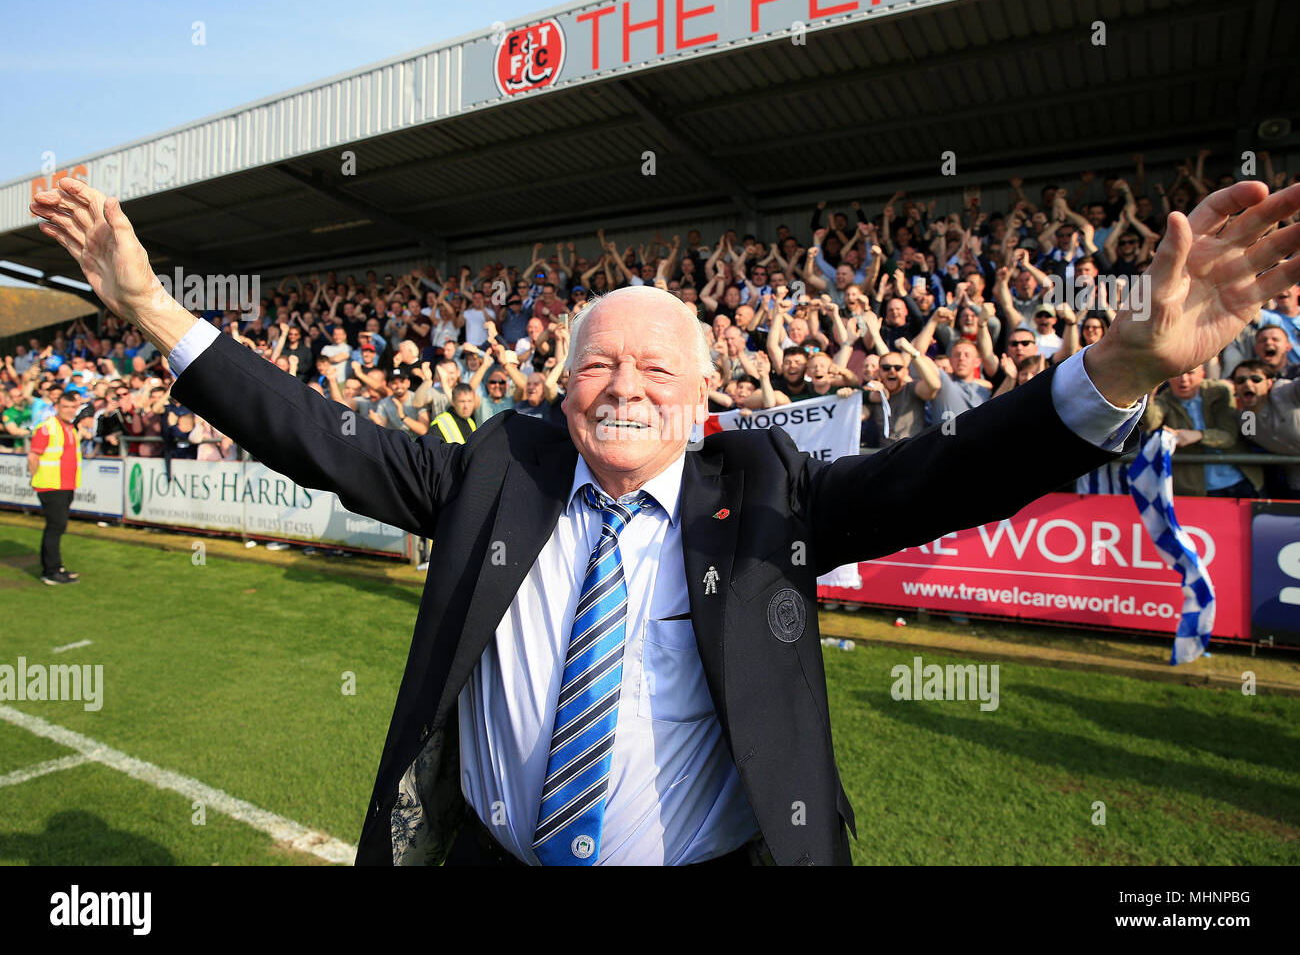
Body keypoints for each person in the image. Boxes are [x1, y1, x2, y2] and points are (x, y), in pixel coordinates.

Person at [32, 177, 1300, 865]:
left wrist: (1122, 370)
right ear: (559, 385)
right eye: (598, 367)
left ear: (706, 399)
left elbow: (952, 470)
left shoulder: (768, 494)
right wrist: (148, 307)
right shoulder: (496, 473)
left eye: (655, 371)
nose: (624, 387)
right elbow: (312, 431)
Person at [1141, 363, 1260, 497]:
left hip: (1239, 480)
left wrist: (1198, 435)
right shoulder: (1163, 399)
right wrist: (1149, 396)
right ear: (1168, 378)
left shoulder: (1219, 392)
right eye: (1177, 374)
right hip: (1197, 490)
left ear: (1202, 374)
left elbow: (1228, 436)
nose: (1184, 379)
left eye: (1190, 373)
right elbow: (1149, 424)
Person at [27, 390, 83, 585]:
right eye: (65, 407)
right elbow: (33, 456)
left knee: (58, 527)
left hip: (65, 485)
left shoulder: (69, 427)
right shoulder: (47, 427)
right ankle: (50, 571)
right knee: (55, 527)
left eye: (72, 407)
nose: (69, 410)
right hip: (51, 485)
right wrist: (36, 479)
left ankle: (56, 567)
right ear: (57, 407)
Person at [1231, 359, 1300, 498]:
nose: (1247, 384)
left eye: (1256, 379)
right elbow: (1251, 447)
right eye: (1240, 380)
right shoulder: (1245, 418)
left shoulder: (1283, 391)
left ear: (1269, 383)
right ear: (1235, 387)